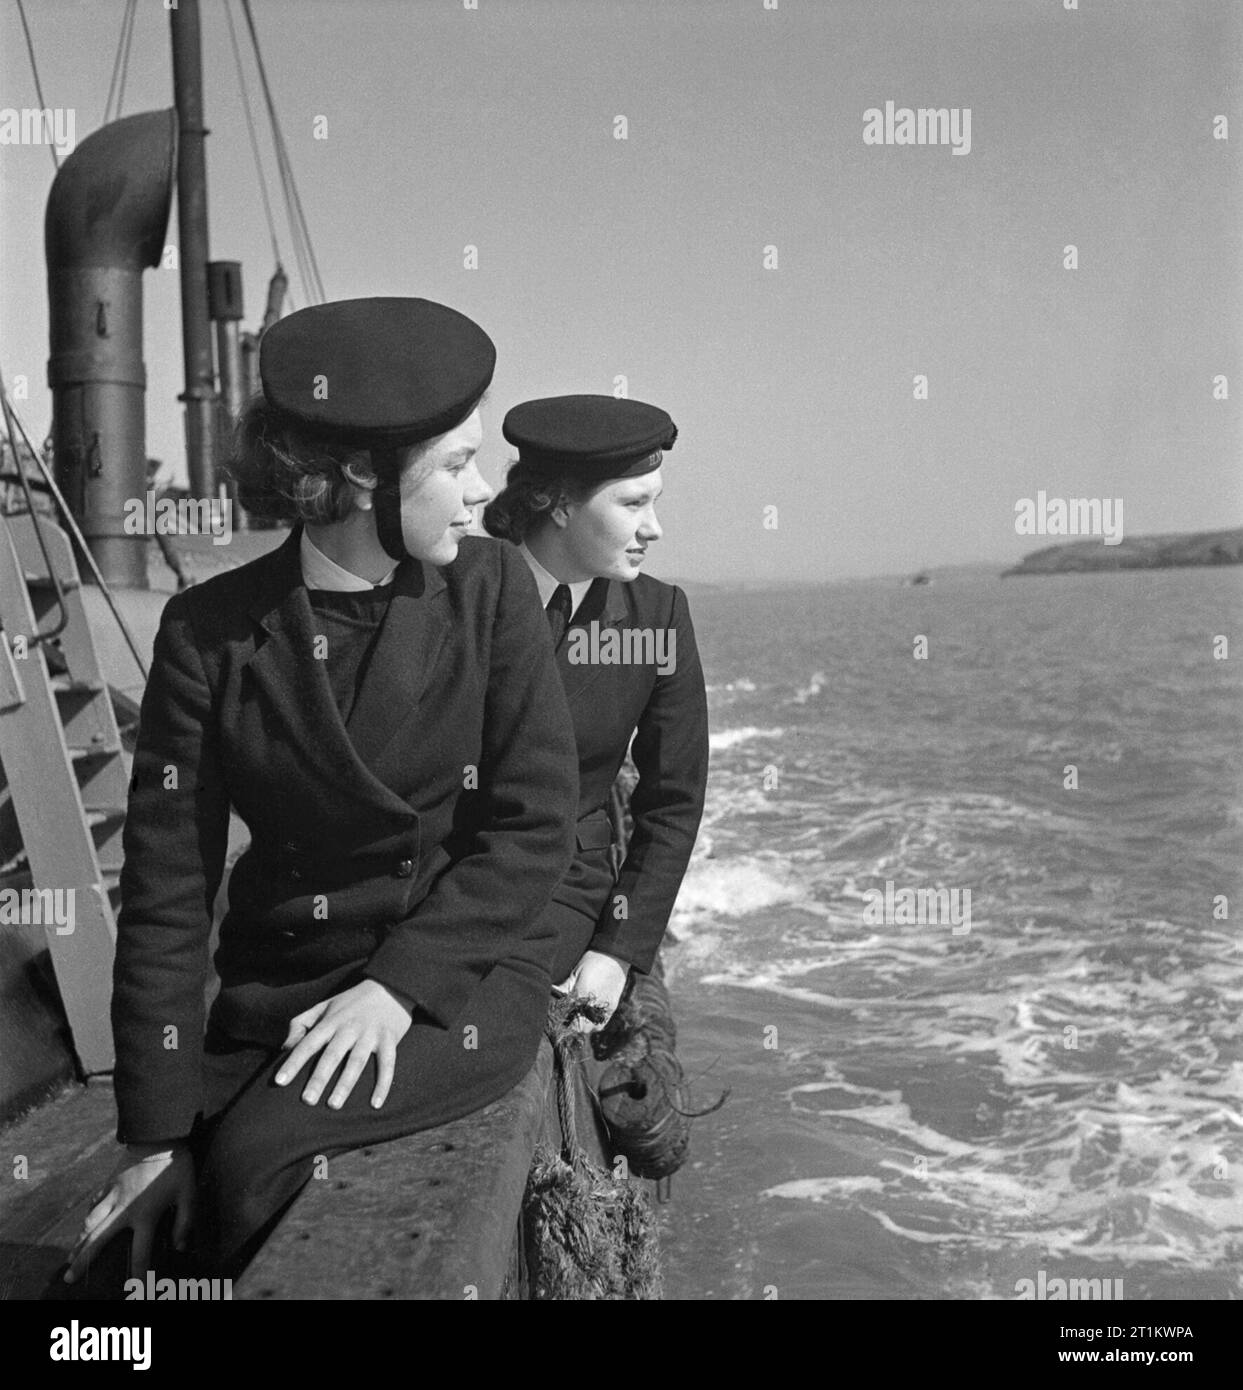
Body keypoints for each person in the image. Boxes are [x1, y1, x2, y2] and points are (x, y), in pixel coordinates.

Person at [66, 297, 579, 1282]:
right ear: (358, 477)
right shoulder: (208, 631)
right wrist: (151, 1135)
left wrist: (396, 988)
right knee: (118, 1254)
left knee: (258, 1164)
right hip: (278, 988)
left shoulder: (492, 592)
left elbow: (531, 825)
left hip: (452, 979)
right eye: (456, 465)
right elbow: (168, 897)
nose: (480, 495)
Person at [483, 395, 709, 1032]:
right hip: (435, 882)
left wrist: (617, 950)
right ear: (557, 504)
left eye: (654, 502)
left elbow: (672, 802)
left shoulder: (657, 618)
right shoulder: (456, 592)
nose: (655, 528)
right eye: (633, 503)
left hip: (561, 888)